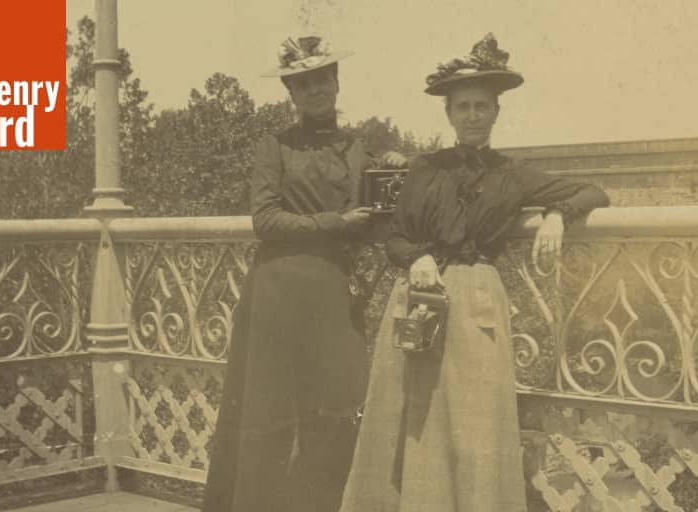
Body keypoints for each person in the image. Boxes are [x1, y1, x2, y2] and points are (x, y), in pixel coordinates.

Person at [340, 33, 611, 511]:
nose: (471, 116)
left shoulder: (513, 174)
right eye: (462, 107)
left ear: (496, 112)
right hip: (418, 297)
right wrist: (417, 257)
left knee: (476, 423)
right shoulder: (425, 170)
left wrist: (557, 214)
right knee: (411, 417)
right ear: (448, 114)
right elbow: (396, 236)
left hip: (477, 300)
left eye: (481, 106)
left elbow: (594, 192)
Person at [202, 36, 405, 512]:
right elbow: (265, 220)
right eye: (304, 84)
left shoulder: (357, 149)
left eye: (322, 80)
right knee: (268, 412)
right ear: (291, 94)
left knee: (337, 409)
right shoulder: (274, 146)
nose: (315, 90)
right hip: (277, 291)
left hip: (333, 291)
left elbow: (376, 214)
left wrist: (396, 168)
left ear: (337, 84)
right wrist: (335, 222)